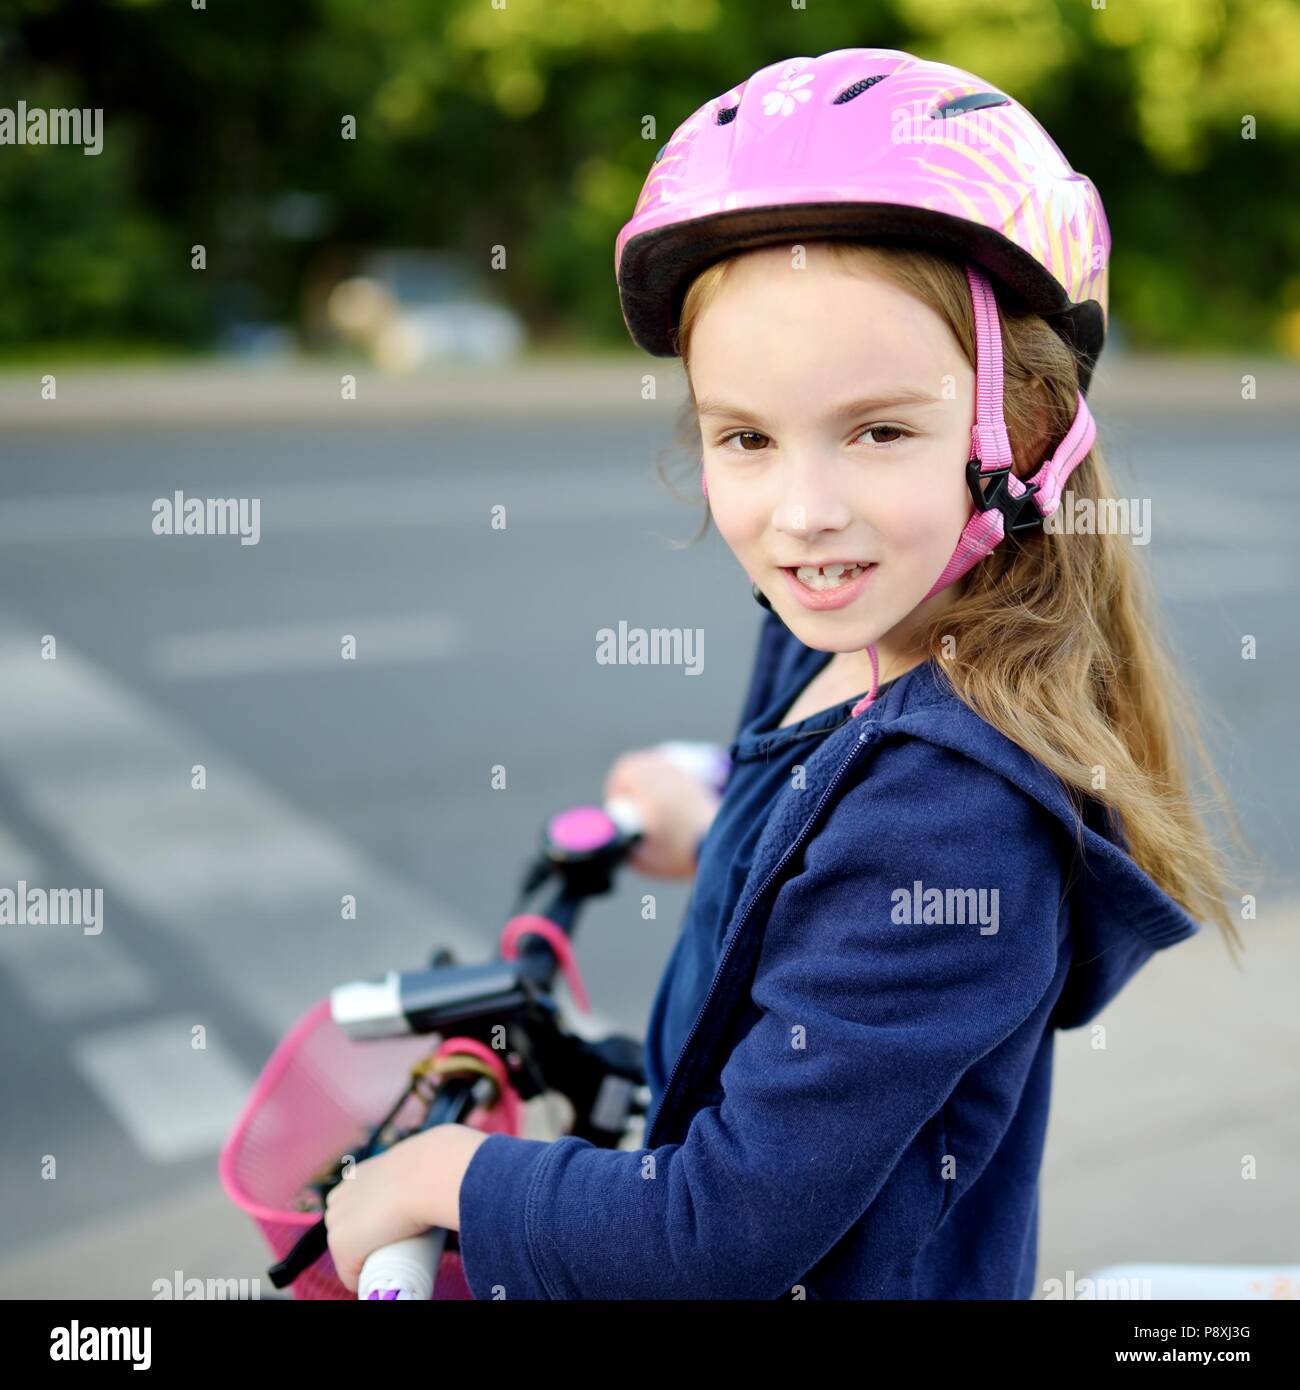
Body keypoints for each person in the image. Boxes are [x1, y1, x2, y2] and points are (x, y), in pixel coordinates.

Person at [324, 46, 1248, 1299]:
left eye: (876, 430)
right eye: (746, 437)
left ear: (1017, 436)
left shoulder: (952, 819)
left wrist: (443, 1179)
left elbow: (713, 1230)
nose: (802, 512)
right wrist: (716, 816)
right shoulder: (845, 630)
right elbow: (818, 817)